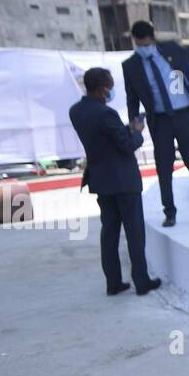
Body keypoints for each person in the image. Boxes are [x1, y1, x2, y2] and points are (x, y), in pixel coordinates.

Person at [122, 19, 189, 227]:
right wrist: (134, 123)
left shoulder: (171, 50)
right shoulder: (131, 66)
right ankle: (169, 212)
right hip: (159, 120)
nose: (143, 48)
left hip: (182, 115)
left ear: (152, 38)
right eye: (139, 45)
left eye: (146, 44)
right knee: (163, 167)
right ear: (134, 41)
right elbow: (131, 98)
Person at [69, 68, 161, 296]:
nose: (111, 92)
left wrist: (125, 130)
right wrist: (137, 131)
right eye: (109, 88)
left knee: (109, 232)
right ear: (102, 89)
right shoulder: (105, 113)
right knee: (134, 232)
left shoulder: (76, 111)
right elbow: (126, 145)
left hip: (100, 179)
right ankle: (141, 281)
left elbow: (105, 139)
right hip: (123, 180)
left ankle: (113, 282)